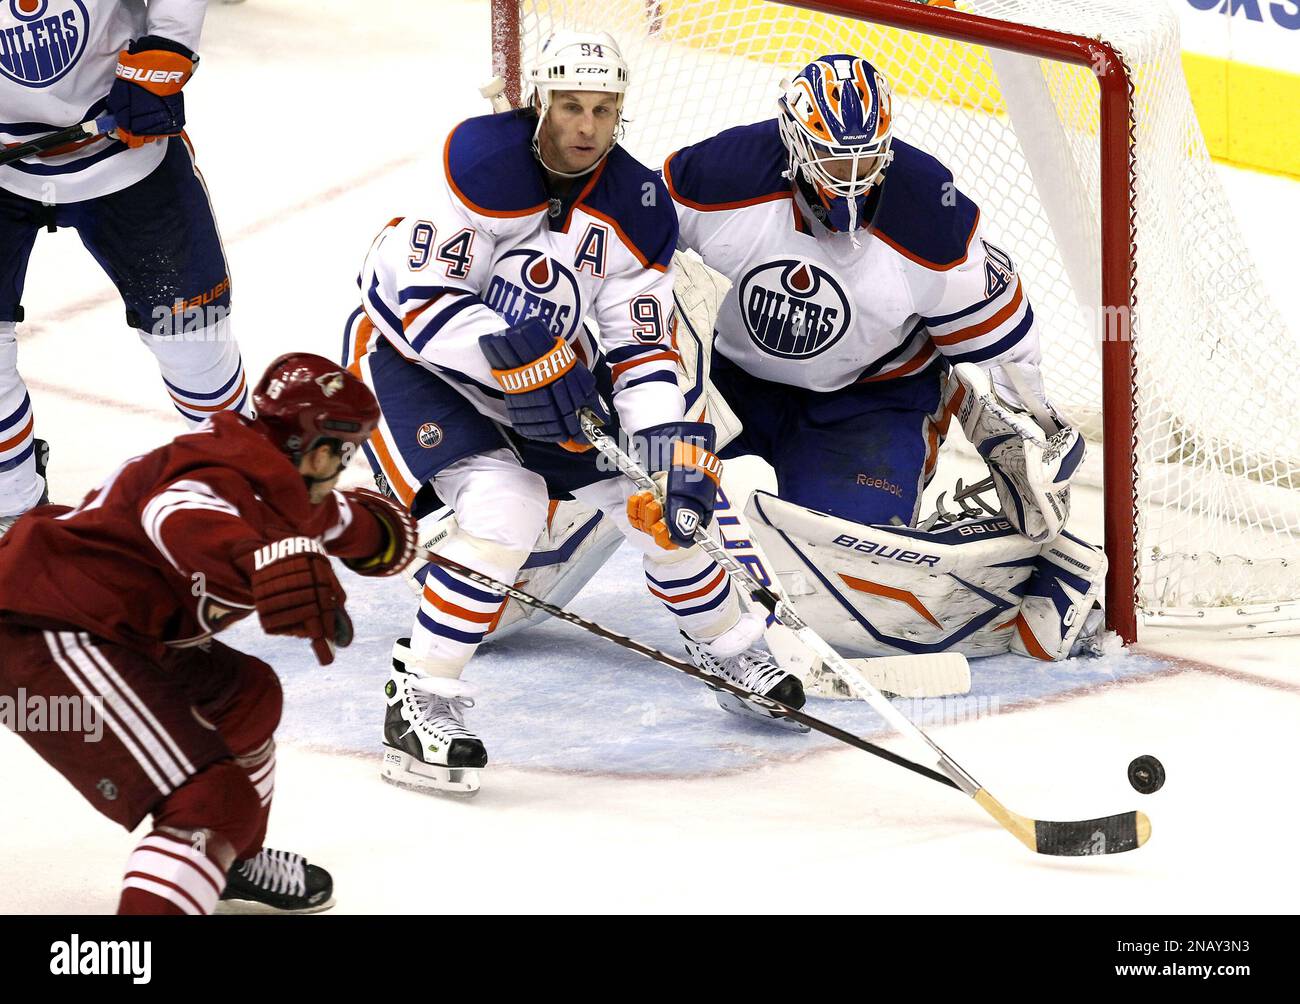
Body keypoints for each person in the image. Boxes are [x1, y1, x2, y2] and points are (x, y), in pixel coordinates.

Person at [343, 30, 806, 796]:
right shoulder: (481, 167)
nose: (586, 126)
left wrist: (660, 438)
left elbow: (641, 344)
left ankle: (732, 647)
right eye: (569, 107)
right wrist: (508, 353)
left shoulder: (637, 208)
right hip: (427, 367)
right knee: (507, 505)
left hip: (548, 380)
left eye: (603, 109)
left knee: (656, 503)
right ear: (540, 104)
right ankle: (419, 693)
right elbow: (406, 295)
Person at [660, 54, 1105, 661]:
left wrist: (1037, 420)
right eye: (833, 158)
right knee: (623, 455)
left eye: (865, 160)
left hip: (868, 400)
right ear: (793, 140)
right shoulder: (716, 176)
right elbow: (630, 263)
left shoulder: (929, 216)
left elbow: (1005, 343)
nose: (850, 179)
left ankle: (1023, 564)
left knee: (849, 588)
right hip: (727, 379)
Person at [0, 352, 418, 914]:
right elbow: (175, 514)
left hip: (115, 632)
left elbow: (350, 525)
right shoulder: (215, 475)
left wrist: (387, 537)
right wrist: (261, 559)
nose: (344, 464)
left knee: (247, 693)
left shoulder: (283, 481)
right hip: (42, 633)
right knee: (216, 803)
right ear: (314, 447)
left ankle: (228, 862)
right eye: (343, 450)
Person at [1, 1, 250, 534]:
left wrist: (168, 46)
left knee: (192, 336)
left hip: (125, 150)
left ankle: (239, 481)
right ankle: (15, 515)